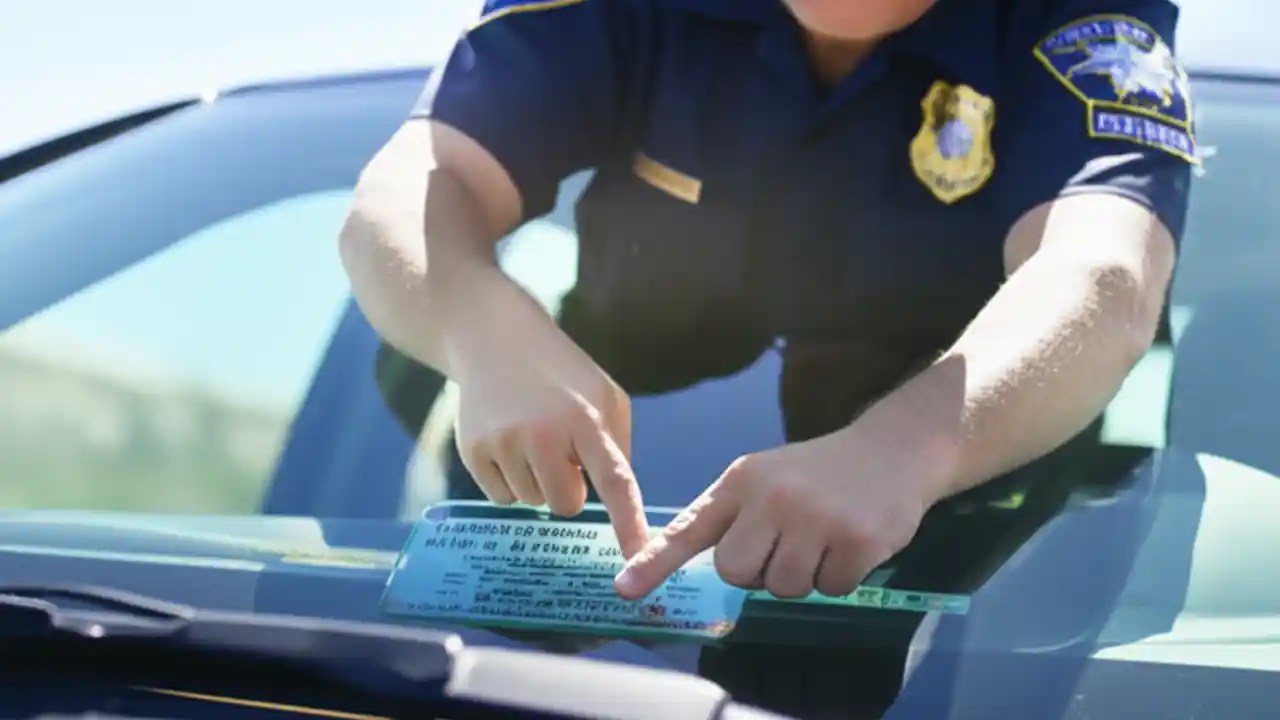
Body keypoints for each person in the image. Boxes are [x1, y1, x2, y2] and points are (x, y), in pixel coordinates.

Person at [339, 0, 1194, 604]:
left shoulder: (1081, 12)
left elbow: (1101, 277)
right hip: (543, 571)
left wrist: (902, 454)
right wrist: (484, 332)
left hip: (965, 607)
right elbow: (413, 188)